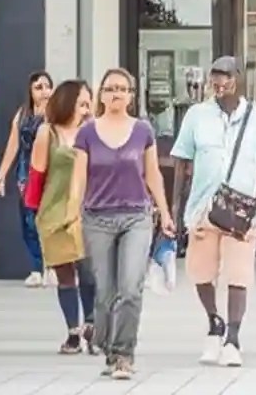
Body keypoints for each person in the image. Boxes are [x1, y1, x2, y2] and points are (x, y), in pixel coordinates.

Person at [171, 55, 256, 368]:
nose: (218, 83)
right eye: (214, 77)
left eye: (225, 77)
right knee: (201, 273)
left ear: (238, 78)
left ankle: (233, 338)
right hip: (203, 207)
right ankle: (213, 323)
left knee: (238, 274)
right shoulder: (196, 115)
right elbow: (182, 162)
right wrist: (177, 209)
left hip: (241, 210)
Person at [73, 67, 175, 380]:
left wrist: (165, 212)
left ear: (131, 95)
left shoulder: (143, 130)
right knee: (104, 291)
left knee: (130, 287)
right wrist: (73, 215)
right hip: (97, 217)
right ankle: (106, 343)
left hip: (136, 216)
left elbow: (153, 174)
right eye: (110, 88)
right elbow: (79, 178)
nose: (116, 93)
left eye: (122, 88)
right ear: (100, 94)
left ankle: (123, 355)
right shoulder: (87, 133)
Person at [28, 79, 98, 354]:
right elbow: (37, 173)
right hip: (55, 211)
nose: (86, 108)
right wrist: (34, 211)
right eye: (82, 102)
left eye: (88, 103)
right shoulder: (48, 133)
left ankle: (92, 325)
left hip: (86, 211)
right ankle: (73, 332)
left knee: (89, 271)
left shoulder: (92, 131)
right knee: (65, 274)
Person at [0, 70, 54, 287]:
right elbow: (13, 145)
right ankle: (37, 267)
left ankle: (52, 266)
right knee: (29, 222)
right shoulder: (23, 114)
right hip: (25, 175)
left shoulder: (55, 114)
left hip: (50, 174)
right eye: (39, 87)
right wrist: (1, 176)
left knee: (49, 221)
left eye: (47, 86)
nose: (44, 91)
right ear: (30, 91)